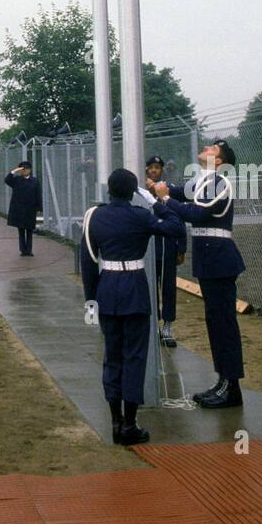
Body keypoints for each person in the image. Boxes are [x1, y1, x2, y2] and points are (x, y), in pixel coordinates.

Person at [82, 167, 186, 445]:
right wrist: (155, 201)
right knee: (135, 357)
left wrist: (90, 303)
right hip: (135, 289)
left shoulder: (94, 216)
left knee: (112, 356)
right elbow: (176, 226)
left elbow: (88, 264)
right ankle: (129, 423)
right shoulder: (141, 215)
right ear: (132, 192)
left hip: (107, 289)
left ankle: (115, 422)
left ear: (109, 189)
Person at [154, 139, 244, 409]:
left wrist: (165, 197)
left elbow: (197, 213)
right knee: (215, 323)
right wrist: (159, 189)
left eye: (211, 150)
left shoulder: (221, 183)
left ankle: (232, 388)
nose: (205, 149)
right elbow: (182, 192)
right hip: (209, 260)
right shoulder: (203, 180)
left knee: (224, 325)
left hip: (220, 260)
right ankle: (223, 382)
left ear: (219, 162)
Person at [144, 154, 185, 347]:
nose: (154, 171)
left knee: (168, 288)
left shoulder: (168, 192)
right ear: (145, 170)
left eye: (157, 168)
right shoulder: (140, 192)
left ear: (162, 171)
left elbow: (179, 220)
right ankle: (152, 323)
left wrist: (181, 248)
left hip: (167, 247)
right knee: (150, 287)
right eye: (150, 167)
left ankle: (167, 326)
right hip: (147, 248)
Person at [5, 160, 42, 256]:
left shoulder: (34, 181)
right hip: (19, 209)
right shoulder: (16, 180)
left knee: (29, 231)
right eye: (22, 169)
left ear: (30, 170)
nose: (24, 171)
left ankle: (29, 250)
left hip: (30, 209)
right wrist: (14, 171)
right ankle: (23, 250)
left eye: (26, 169)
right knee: (21, 231)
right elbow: (7, 180)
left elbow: (38, 195)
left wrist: (39, 208)